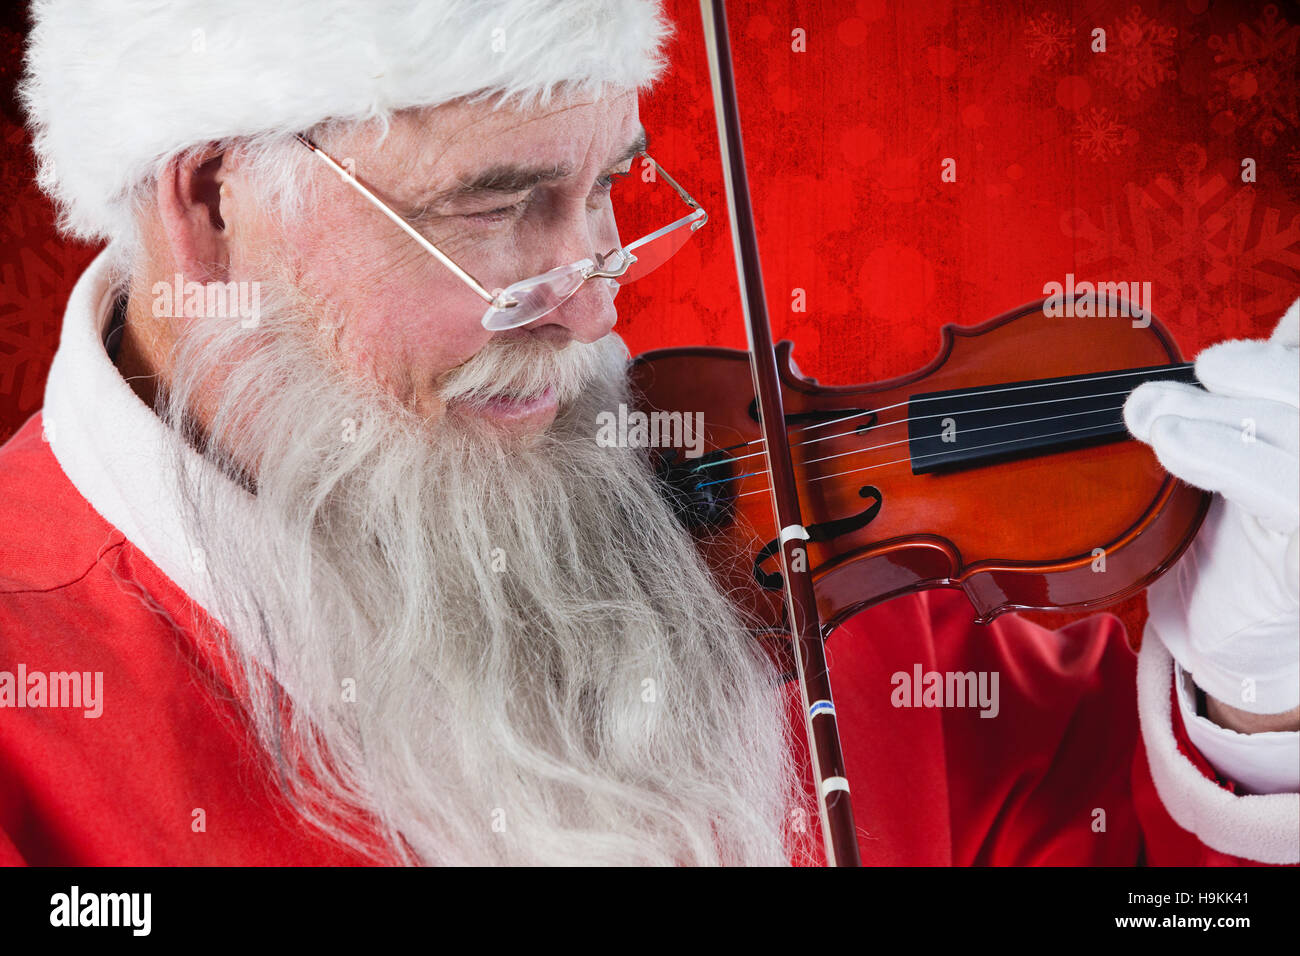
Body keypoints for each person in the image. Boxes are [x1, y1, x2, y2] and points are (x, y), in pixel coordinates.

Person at [0, 0, 1294, 866]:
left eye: (607, 187)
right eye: (494, 207)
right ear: (213, 200)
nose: (594, 297)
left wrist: (1255, 695)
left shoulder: (776, 553)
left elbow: (1115, 850)